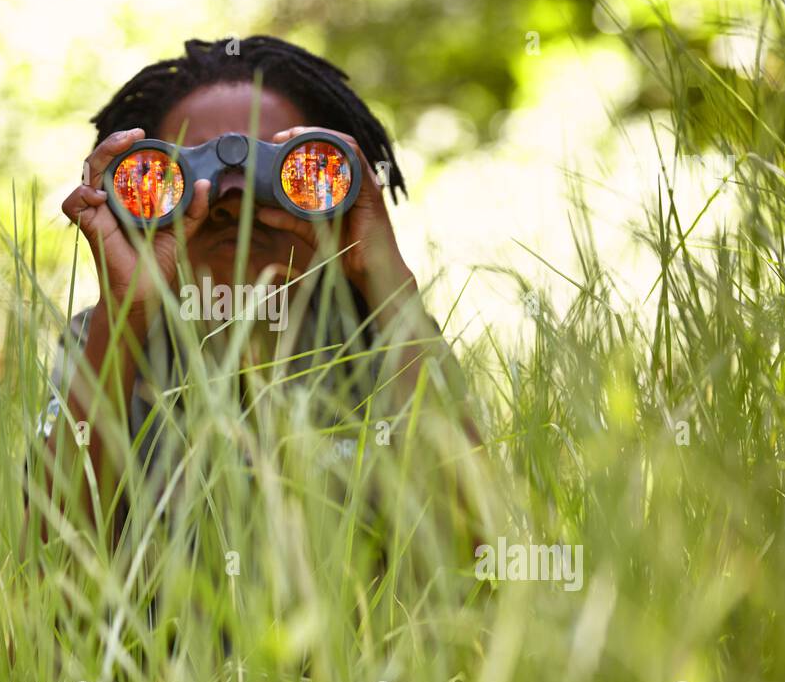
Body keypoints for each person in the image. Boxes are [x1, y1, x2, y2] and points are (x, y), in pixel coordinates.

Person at [45, 36, 473, 537]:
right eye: (175, 176)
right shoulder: (102, 341)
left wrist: (385, 283)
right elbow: (48, 578)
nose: (231, 202)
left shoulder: (378, 334)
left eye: (292, 170)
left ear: (348, 190)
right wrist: (122, 319)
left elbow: (483, 557)